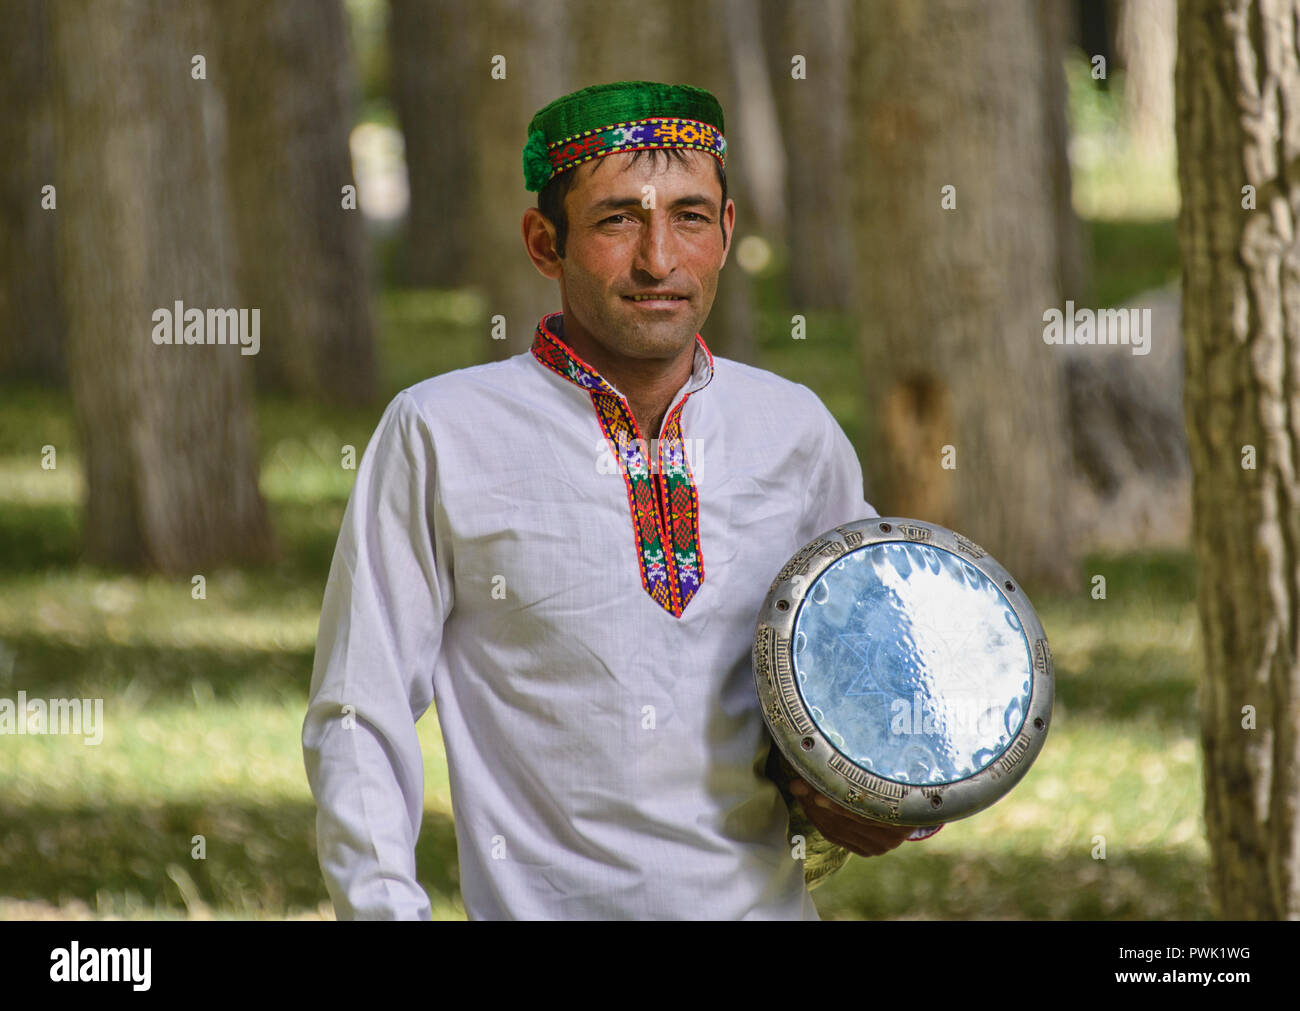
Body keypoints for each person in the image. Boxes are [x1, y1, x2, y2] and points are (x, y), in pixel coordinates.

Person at [302, 80, 937, 921]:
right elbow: (359, 708)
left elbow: (864, 676)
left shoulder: (794, 430)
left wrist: (873, 794)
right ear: (543, 242)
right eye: (615, 221)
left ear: (728, 230)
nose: (659, 260)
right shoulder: (441, 431)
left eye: (690, 217)